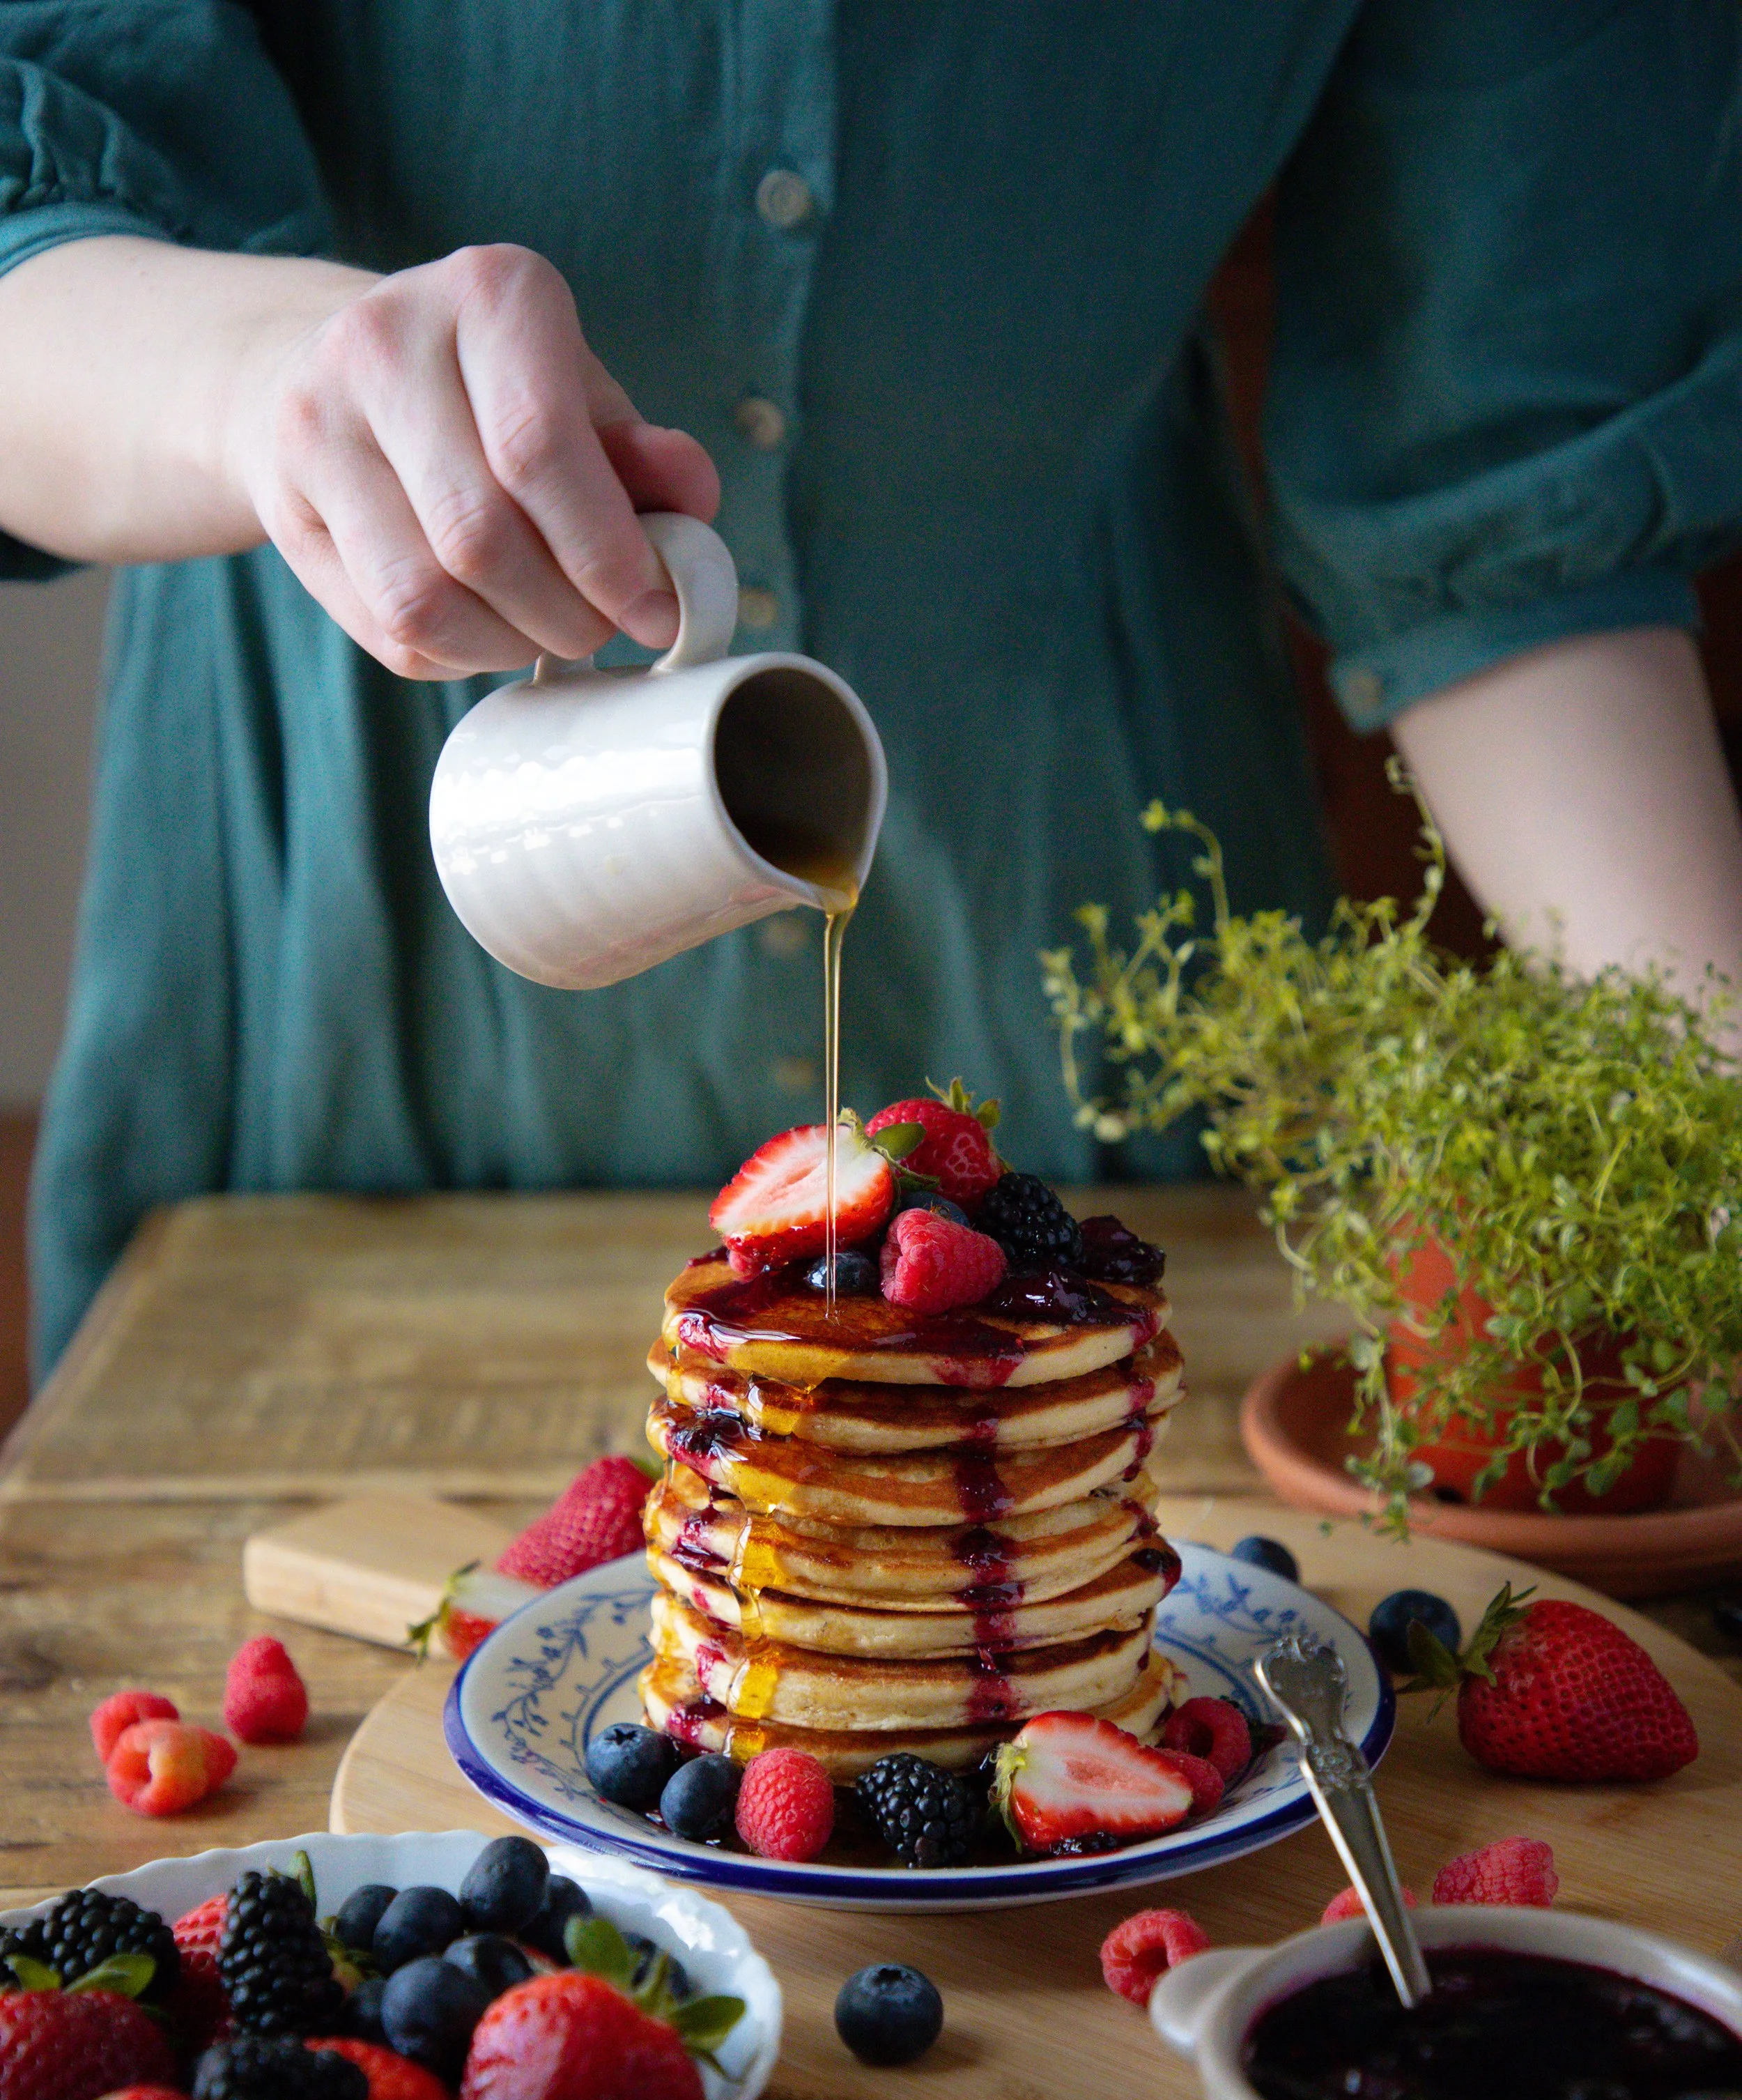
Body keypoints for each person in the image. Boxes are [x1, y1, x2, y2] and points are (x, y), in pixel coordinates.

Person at [2, 1, 1739, 1376]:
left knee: (1088, 1588)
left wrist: (1707, 1103)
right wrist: (269, 381)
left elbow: (1522, 483)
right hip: (351, 972)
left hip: (1086, 938)